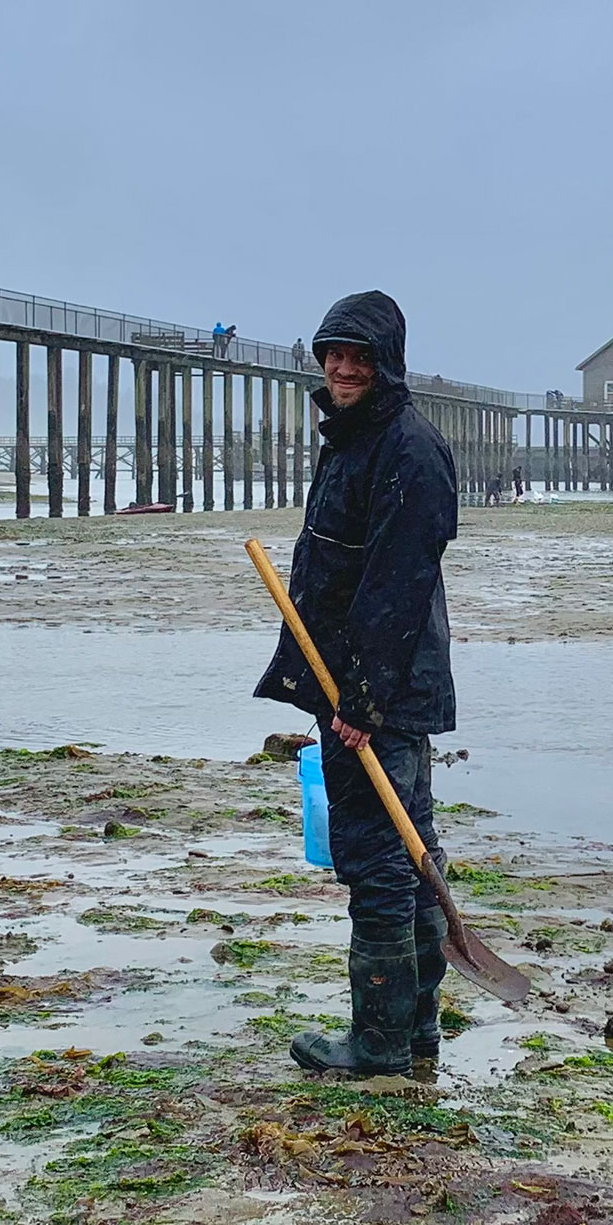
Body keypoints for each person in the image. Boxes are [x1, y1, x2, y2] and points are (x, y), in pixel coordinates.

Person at [254, 290, 458, 1078]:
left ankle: (377, 1041)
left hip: (377, 692)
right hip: (356, 684)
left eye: (357, 356)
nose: (341, 367)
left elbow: (397, 586)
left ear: (385, 364)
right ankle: (414, 1031)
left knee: (378, 857)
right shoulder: (354, 438)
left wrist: (362, 704)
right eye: (332, 353)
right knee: (406, 856)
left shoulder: (407, 449)